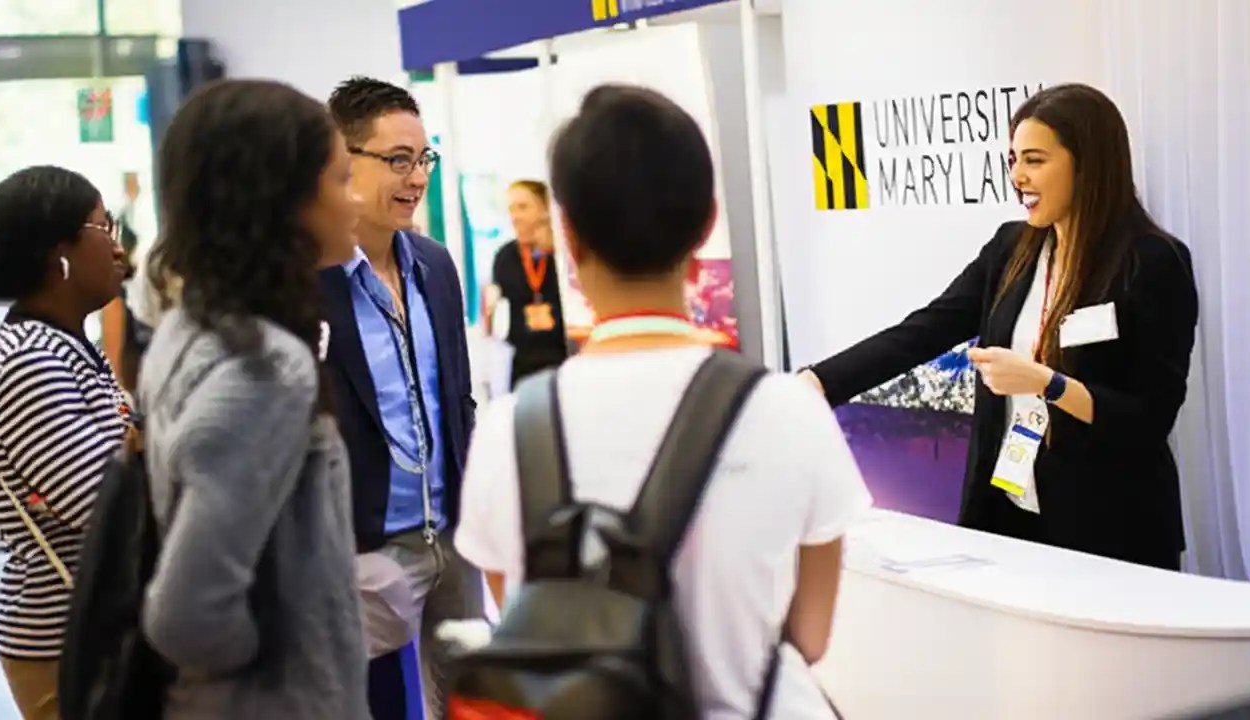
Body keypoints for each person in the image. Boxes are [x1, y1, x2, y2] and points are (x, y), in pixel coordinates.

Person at [456, 84, 871, 719]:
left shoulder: (509, 427)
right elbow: (809, 637)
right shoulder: (788, 409)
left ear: (569, 235)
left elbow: (523, 623)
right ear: (706, 222)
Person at [802, 83, 1199, 570]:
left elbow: (1150, 418)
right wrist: (819, 382)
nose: (1017, 177)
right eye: (1012, 159)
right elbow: (923, 330)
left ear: (1088, 164)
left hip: (1110, 526)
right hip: (1009, 513)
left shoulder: (1152, 262)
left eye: (1034, 160)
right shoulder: (1012, 248)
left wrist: (1047, 383)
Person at [137, 79, 368, 718]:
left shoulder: (188, 330)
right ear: (285, 201)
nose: (354, 204)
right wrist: (279, 660)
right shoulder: (265, 370)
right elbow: (187, 616)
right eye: (341, 180)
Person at [324, 76, 482, 720]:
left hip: (451, 535)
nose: (416, 178)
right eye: (397, 160)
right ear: (342, 161)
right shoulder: (307, 282)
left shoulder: (435, 264)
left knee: (472, 703)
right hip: (365, 548)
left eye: (423, 158)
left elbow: (458, 398)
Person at [0, 165, 130, 720]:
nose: (118, 249)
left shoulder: (66, 345)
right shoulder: (30, 358)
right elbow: (97, 501)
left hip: (94, 625)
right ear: (57, 254)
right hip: (68, 637)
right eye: (103, 229)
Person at [485, 180, 569, 385]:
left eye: (523, 207)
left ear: (545, 210)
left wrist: (553, 250)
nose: (515, 217)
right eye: (511, 209)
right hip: (522, 364)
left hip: (564, 359)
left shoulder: (564, 253)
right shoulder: (505, 257)